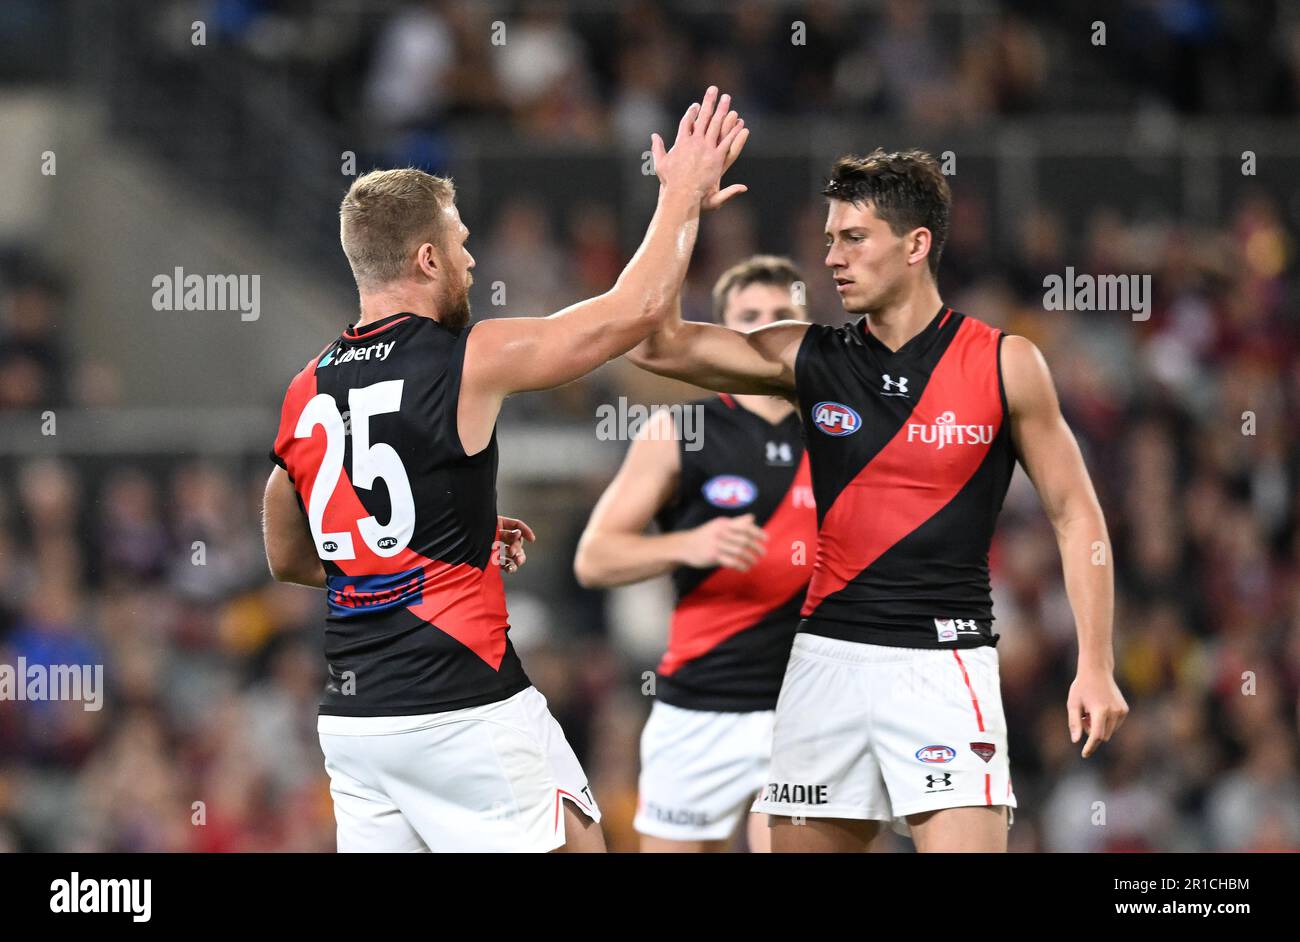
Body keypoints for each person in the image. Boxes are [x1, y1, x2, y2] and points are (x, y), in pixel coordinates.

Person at [260, 87, 749, 852]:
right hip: (458, 703)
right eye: (459, 243)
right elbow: (636, 310)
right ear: (426, 258)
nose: (470, 257)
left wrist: (424, 552)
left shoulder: (305, 389)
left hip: (356, 727)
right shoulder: (469, 358)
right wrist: (682, 194)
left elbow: (291, 554)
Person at [626, 148, 1129, 852]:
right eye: (830, 239)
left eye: (854, 238)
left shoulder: (1004, 362)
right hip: (825, 665)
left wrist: (1096, 663)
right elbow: (653, 344)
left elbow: (1078, 515)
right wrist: (679, 206)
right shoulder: (809, 356)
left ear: (917, 245)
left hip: (944, 667)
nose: (832, 257)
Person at [574, 256, 817, 852]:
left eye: (782, 316)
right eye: (749, 317)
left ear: (806, 326)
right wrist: (690, 543)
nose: (765, 328)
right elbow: (594, 558)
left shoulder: (839, 429)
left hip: (807, 709)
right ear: (721, 332)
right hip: (697, 704)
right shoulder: (678, 430)